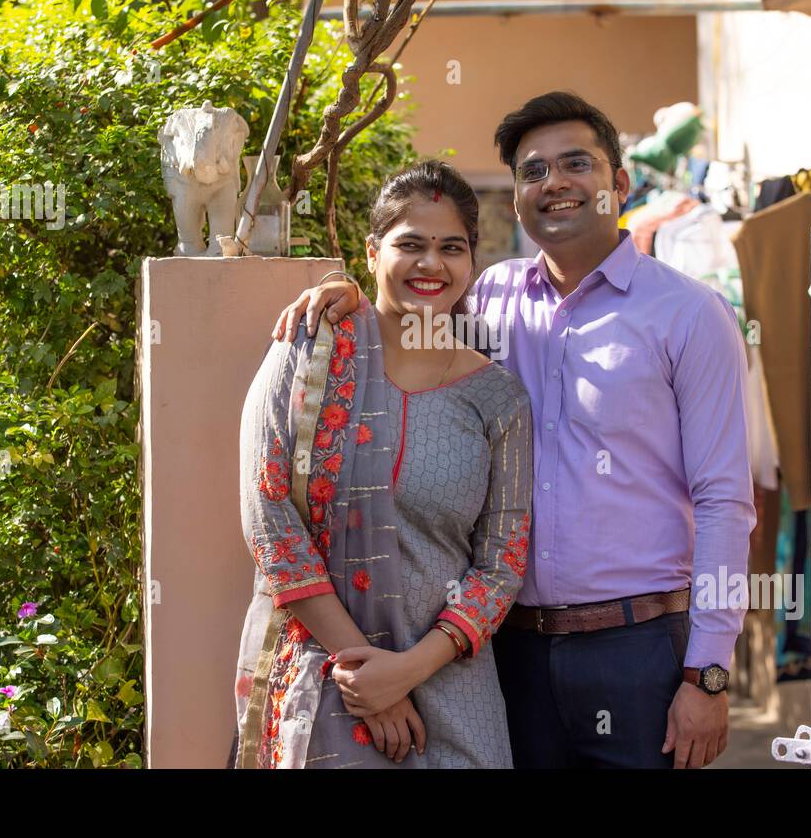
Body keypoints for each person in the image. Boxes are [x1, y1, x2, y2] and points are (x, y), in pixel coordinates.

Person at [272, 92, 756, 769]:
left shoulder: (689, 315)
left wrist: (708, 672)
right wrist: (347, 294)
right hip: (510, 653)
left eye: (575, 164)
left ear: (618, 183)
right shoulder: (494, 297)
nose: (554, 183)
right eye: (533, 171)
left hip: (638, 649)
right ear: (518, 199)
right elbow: (415, 303)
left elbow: (725, 502)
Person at [229, 160, 533, 769]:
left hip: (453, 688)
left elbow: (502, 564)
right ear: (372, 253)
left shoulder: (498, 398)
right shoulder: (310, 352)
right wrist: (365, 676)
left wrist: (406, 672)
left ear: (471, 262)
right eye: (410, 244)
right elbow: (269, 519)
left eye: (451, 247)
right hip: (325, 676)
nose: (431, 264)